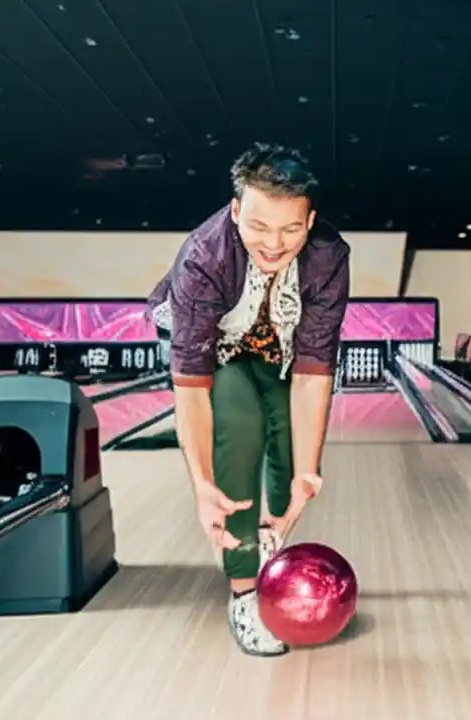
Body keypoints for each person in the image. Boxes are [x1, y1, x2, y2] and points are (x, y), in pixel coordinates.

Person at [148, 143, 350, 655]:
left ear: (310, 221)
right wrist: (200, 485)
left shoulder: (328, 257)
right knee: (239, 421)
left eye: (290, 229)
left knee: (287, 433)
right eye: (259, 226)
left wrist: (307, 471)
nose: (274, 244)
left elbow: (311, 373)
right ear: (236, 211)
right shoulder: (204, 256)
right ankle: (243, 589)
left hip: (273, 344)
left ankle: (271, 543)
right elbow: (192, 386)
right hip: (212, 346)